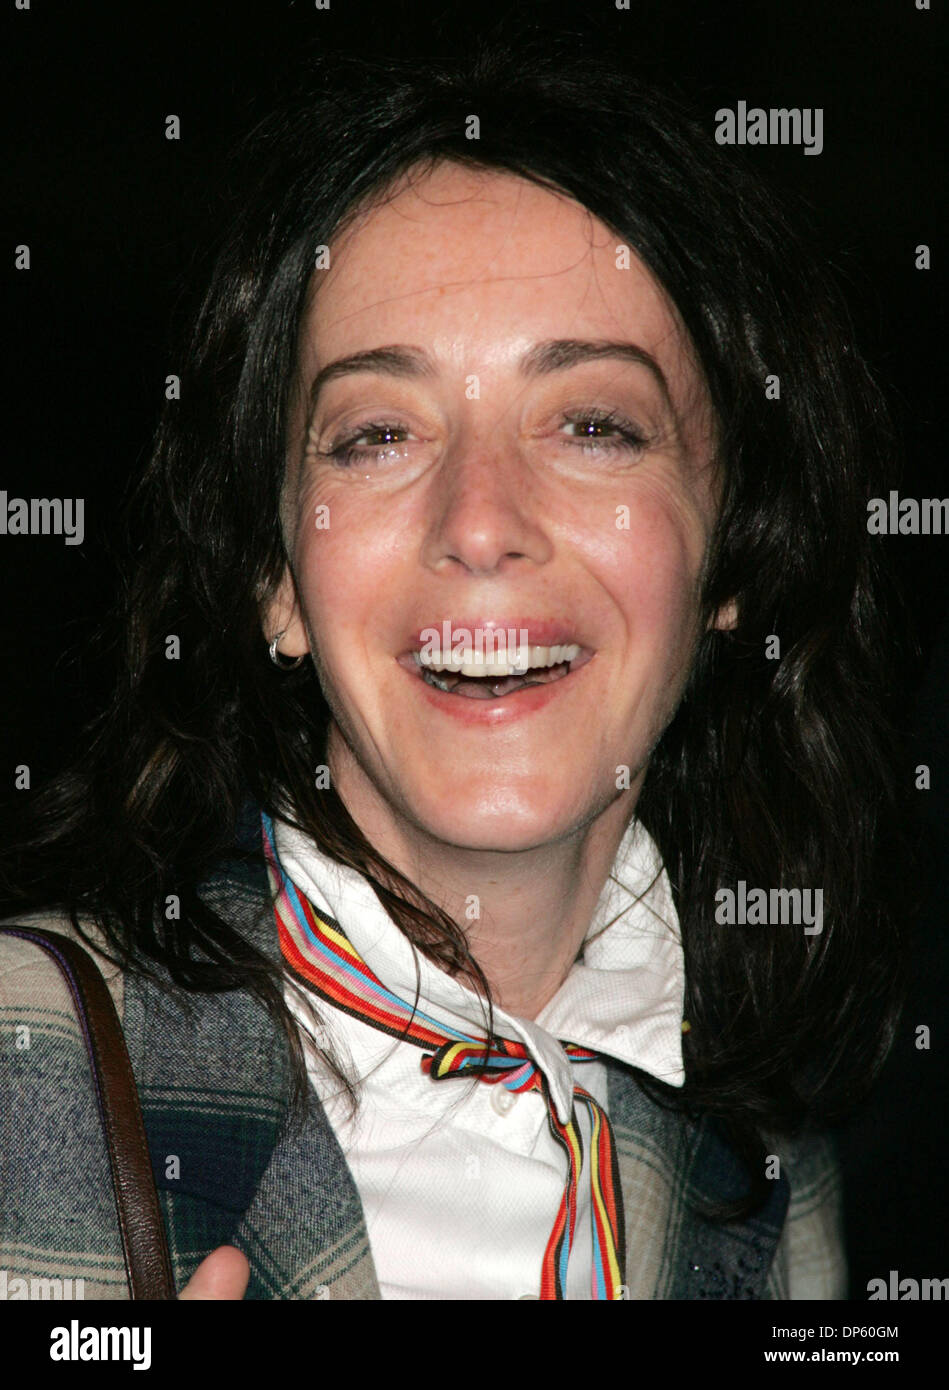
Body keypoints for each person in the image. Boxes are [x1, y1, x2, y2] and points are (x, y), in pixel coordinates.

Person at [0, 37, 908, 1300]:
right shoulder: (21, 1057)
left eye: (594, 424)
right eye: (377, 435)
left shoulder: (757, 1167)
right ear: (278, 580)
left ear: (730, 557)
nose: (479, 521)